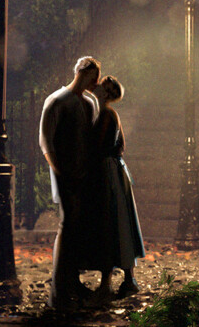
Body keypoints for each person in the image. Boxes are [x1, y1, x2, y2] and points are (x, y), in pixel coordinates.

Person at [39, 56, 104, 308]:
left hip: (85, 174)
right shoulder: (56, 101)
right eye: (94, 76)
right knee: (67, 227)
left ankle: (72, 281)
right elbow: (46, 142)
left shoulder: (90, 102)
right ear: (84, 73)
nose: (96, 82)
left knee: (78, 229)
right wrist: (60, 172)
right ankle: (58, 291)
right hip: (66, 174)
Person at [90, 75, 146, 298]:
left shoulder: (104, 114)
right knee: (121, 221)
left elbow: (98, 145)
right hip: (116, 169)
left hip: (106, 172)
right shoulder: (112, 114)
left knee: (109, 222)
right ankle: (128, 278)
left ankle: (106, 283)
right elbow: (121, 145)